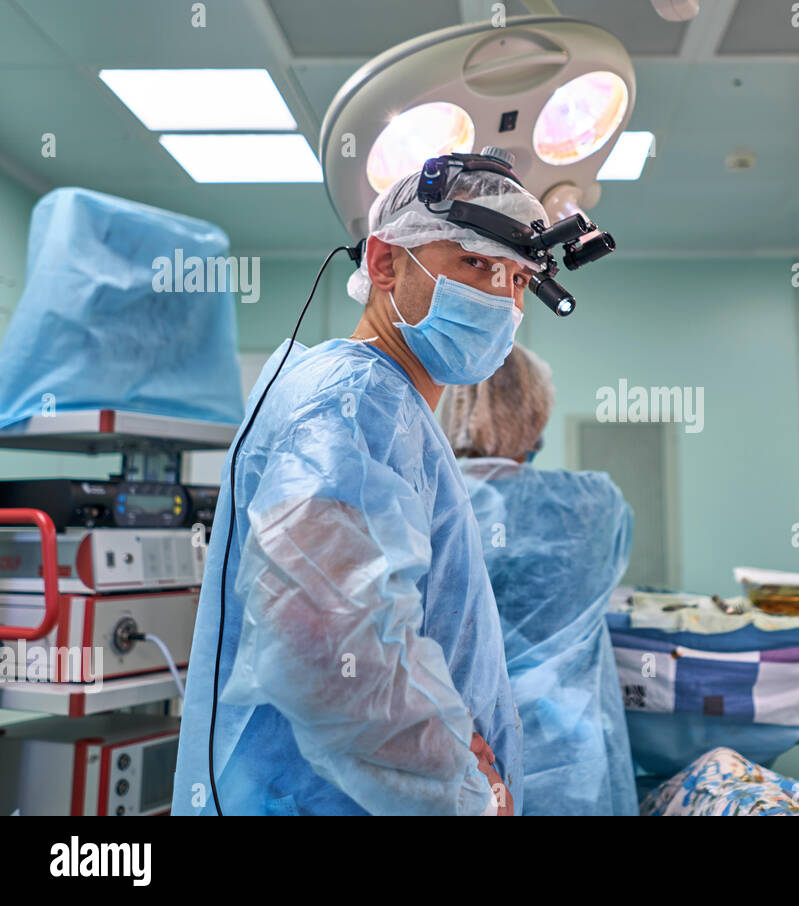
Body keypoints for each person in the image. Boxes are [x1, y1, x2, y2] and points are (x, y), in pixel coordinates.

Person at [171, 161, 552, 815]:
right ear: (384, 264)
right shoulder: (350, 400)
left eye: (518, 279)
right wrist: (460, 790)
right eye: (474, 263)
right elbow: (321, 638)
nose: (503, 299)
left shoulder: (388, 407)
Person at [439, 344, 639, 815]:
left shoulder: (425, 502)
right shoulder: (595, 504)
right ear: (536, 415)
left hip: (463, 760)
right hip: (570, 758)